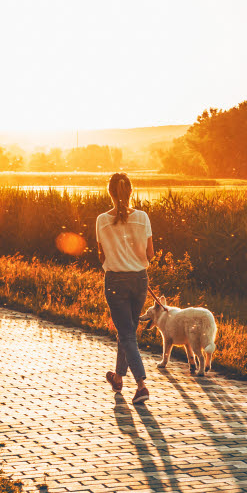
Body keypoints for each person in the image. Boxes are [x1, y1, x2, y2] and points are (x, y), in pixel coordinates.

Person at [96, 172, 154, 404]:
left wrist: (118, 261)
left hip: (116, 281)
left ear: (110, 192)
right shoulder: (143, 217)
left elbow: (101, 255)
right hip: (140, 279)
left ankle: (141, 385)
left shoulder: (102, 220)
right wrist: (136, 262)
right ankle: (118, 377)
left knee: (127, 333)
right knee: (127, 331)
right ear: (131, 191)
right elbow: (150, 254)